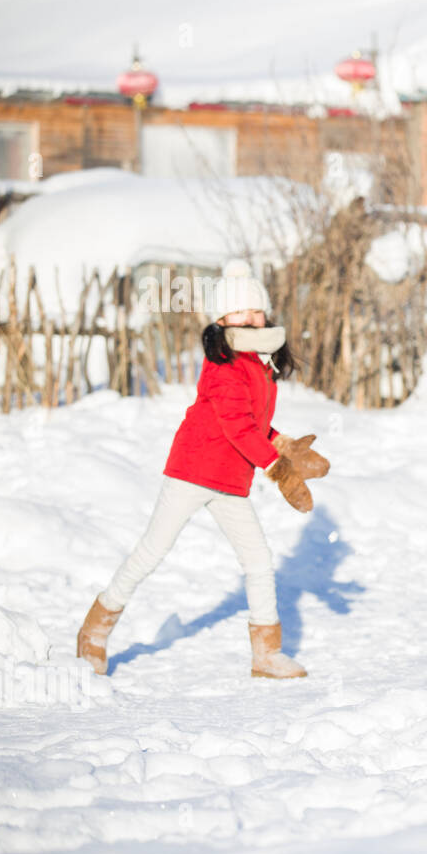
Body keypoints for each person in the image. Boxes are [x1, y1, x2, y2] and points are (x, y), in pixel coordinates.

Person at [75, 259, 329, 679]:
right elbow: (237, 426)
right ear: (222, 319)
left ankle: (266, 653)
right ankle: (94, 632)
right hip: (192, 472)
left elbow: (256, 425)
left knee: (259, 560)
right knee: (151, 552)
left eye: (256, 310)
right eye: (239, 311)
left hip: (231, 480)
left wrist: (282, 443)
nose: (250, 317)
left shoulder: (260, 363)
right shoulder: (226, 364)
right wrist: (278, 467)